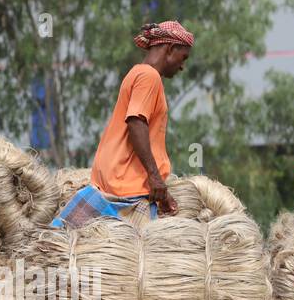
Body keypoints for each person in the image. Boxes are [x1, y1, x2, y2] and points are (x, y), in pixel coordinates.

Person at [52, 20, 192, 228]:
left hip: (111, 185)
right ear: (170, 48)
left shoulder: (137, 73)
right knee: (142, 249)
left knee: (59, 239)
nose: (182, 66)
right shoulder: (149, 76)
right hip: (128, 195)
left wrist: (163, 193)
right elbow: (136, 122)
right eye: (183, 58)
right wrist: (154, 177)